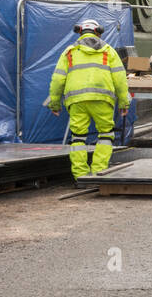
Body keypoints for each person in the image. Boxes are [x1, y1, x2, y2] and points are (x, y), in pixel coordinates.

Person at [46, 19, 130, 178]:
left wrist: (55, 104)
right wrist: (124, 102)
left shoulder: (69, 53)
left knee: (78, 137)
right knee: (106, 134)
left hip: (76, 101)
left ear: (79, 32)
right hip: (102, 100)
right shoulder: (108, 51)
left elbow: (57, 80)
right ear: (98, 32)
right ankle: (99, 172)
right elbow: (120, 79)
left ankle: (80, 175)